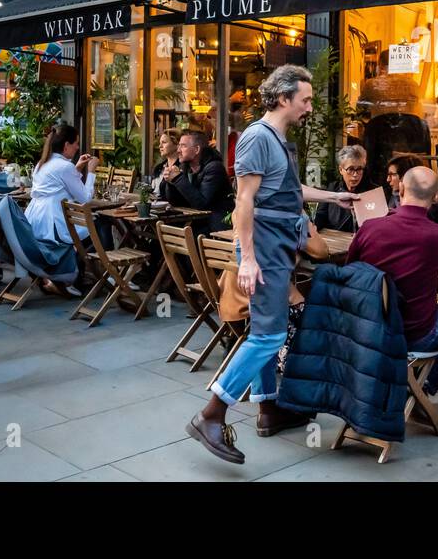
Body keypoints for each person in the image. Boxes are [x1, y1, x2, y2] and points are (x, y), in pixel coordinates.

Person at [187, 64, 360, 465]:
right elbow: (243, 202)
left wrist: (334, 198)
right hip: (263, 248)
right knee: (268, 335)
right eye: (306, 99)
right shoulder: (256, 138)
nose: (310, 107)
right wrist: (247, 258)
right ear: (284, 98)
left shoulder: (276, 139)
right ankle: (211, 415)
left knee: (263, 330)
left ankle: (267, 408)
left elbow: (288, 189)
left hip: (275, 246)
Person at [347, 166, 438, 399]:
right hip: (417, 332)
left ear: (400, 188)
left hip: (369, 329)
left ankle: (414, 386)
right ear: (437, 197)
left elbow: (351, 271)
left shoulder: (370, 228)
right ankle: (425, 388)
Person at [26, 123, 100, 248]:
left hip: (35, 222)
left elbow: (59, 185)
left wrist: (77, 168)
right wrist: (91, 171)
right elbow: (86, 199)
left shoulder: (42, 163)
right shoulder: (64, 166)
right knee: (101, 226)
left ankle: (85, 263)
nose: (77, 147)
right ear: (66, 145)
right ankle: (104, 265)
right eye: (76, 143)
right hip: (54, 226)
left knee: (97, 225)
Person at [161, 128, 234, 236]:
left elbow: (202, 203)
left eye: (183, 146)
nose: (178, 150)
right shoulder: (185, 167)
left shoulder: (214, 168)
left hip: (216, 226)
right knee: (163, 232)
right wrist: (170, 182)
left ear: (196, 150)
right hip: (196, 222)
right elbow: (175, 201)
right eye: (179, 145)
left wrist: (178, 179)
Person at [314, 145, 376, 233]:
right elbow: (320, 218)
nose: (355, 174)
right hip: (335, 242)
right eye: (350, 169)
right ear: (340, 169)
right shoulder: (332, 189)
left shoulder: (373, 192)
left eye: (359, 169)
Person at [358, 49, 422, 117]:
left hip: (380, 126)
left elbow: (360, 109)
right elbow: (419, 112)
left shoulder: (371, 84)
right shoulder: (413, 84)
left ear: (380, 66)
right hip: (408, 127)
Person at [150, 127, 182, 191]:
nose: (160, 146)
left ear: (177, 144)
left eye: (164, 142)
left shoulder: (183, 168)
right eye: (160, 143)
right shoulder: (158, 168)